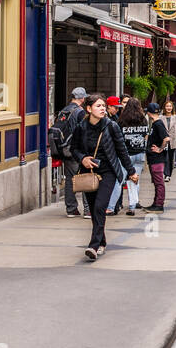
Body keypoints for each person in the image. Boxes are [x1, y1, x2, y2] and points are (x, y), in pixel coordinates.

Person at [70, 93, 134, 261]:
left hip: (108, 172)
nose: (102, 109)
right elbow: (73, 149)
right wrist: (82, 158)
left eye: (104, 106)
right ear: (89, 109)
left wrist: (131, 171)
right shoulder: (80, 127)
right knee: (93, 209)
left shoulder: (111, 126)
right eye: (98, 106)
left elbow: (121, 150)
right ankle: (102, 241)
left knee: (100, 207)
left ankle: (93, 245)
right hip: (89, 172)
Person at [107, 98, 147, 215]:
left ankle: (110, 207)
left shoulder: (122, 120)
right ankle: (132, 206)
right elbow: (145, 135)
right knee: (134, 180)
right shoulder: (143, 120)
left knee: (119, 180)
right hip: (140, 154)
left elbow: (118, 137)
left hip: (126, 155)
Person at [55, 87, 89, 218]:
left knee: (70, 179)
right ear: (81, 98)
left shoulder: (64, 110)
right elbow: (83, 131)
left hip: (64, 149)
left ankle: (71, 209)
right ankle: (87, 209)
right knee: (85, 177)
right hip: (76, 149)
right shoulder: (80, 112)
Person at [140, 102, 168, 213]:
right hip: (154, 158)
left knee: (159, 182)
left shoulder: (158, 124)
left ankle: (159, 204)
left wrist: (160, 149)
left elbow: (166, 138)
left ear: (149, 113)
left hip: (157, 158)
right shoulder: (156, 123)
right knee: (157, 182)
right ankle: (156, 203)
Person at [161, 100, 176, 183]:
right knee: (165, 157)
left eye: (170, 106)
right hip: (163, 141)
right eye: (167, 106)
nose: (168, 108)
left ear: (172, 107)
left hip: (172, 140)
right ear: (164, 107)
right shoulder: (160, 117)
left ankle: (168, 174)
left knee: (170, 158)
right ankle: (166, 174)